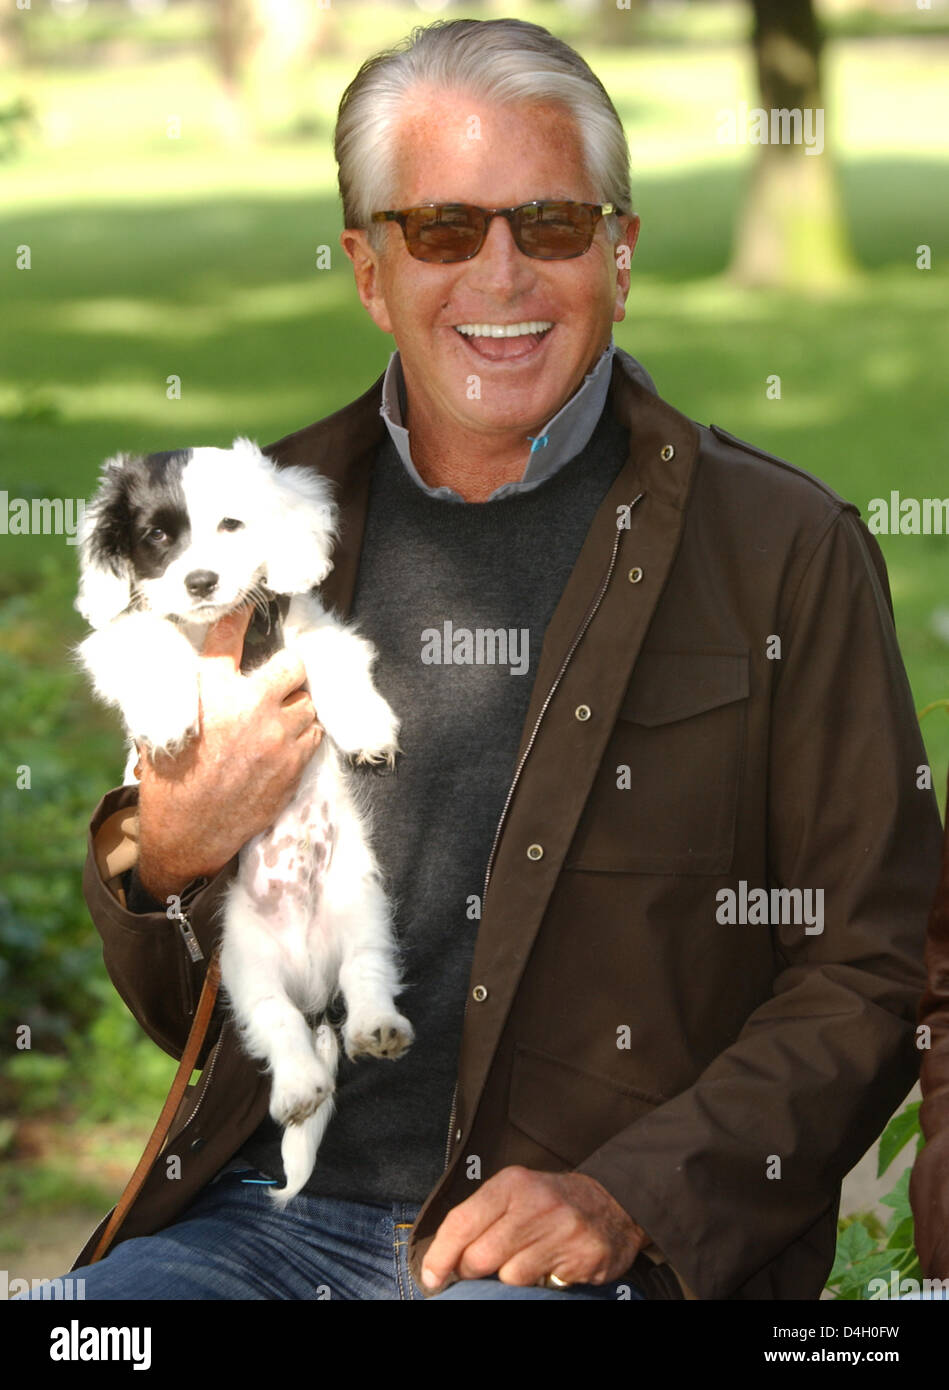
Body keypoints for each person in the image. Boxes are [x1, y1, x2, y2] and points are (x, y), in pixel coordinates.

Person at [36, 17, 944, 1301]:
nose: (502, 276)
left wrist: (630, 1195)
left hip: (575, 1265)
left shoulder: (785, 553)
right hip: (264, 1221)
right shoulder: (253, 534)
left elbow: (867, 963)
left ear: (620, 259)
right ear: (368, 270)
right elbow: (184, 999)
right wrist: (165, 851)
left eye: (552, 225)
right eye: (445, 231)